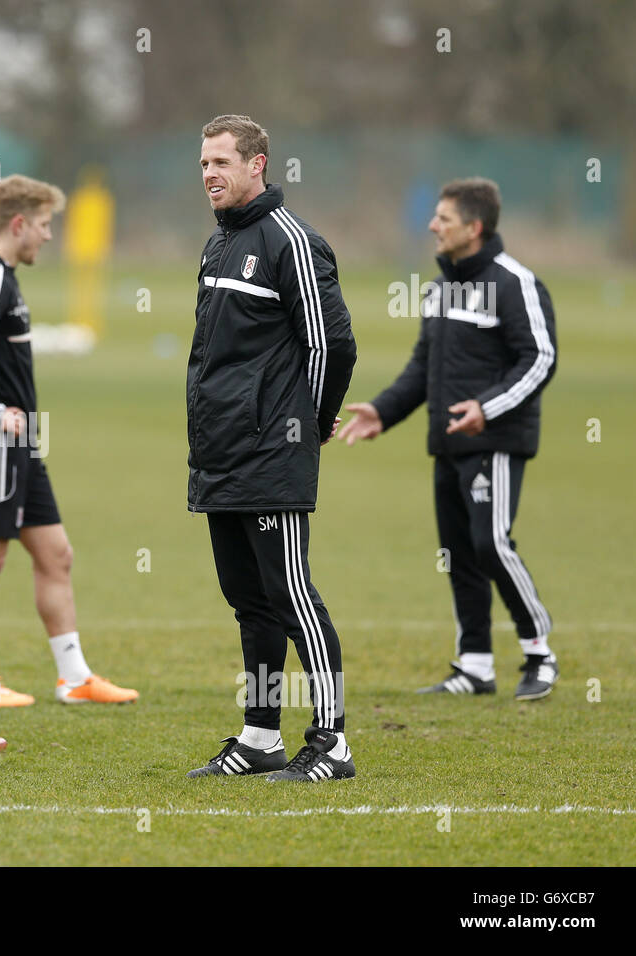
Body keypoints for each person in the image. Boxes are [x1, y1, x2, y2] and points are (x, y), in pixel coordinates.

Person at [185, 115, 357, 782]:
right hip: (221, 454)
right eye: (203, 163)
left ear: (258, 164)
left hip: (271, 454)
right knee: (248, 599)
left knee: (291, 595)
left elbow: (331, 344)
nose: (209, 174)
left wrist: (307, 425)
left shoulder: (292, 241)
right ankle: (260, 737)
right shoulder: (217, 245)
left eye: (222, 162)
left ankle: (333, 743)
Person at [339, 177, 557, 700]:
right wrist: (383, 412)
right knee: (460, 553)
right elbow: (423, 368)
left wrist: (488, 408)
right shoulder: (440, 289)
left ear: (474, 227)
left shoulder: (514, 283)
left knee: (491, 544)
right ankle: (476, 665)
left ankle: (538, 653)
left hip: (497, 441)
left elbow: (540, 359)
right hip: (448, 444)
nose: (432, 226)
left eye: (444, 219)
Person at [0, 174, 138, 707]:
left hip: (17, 442)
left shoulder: (5, 276)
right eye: (45, 225)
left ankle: (74, 677)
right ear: (18, 223)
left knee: (56, 554)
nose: (49, 237)